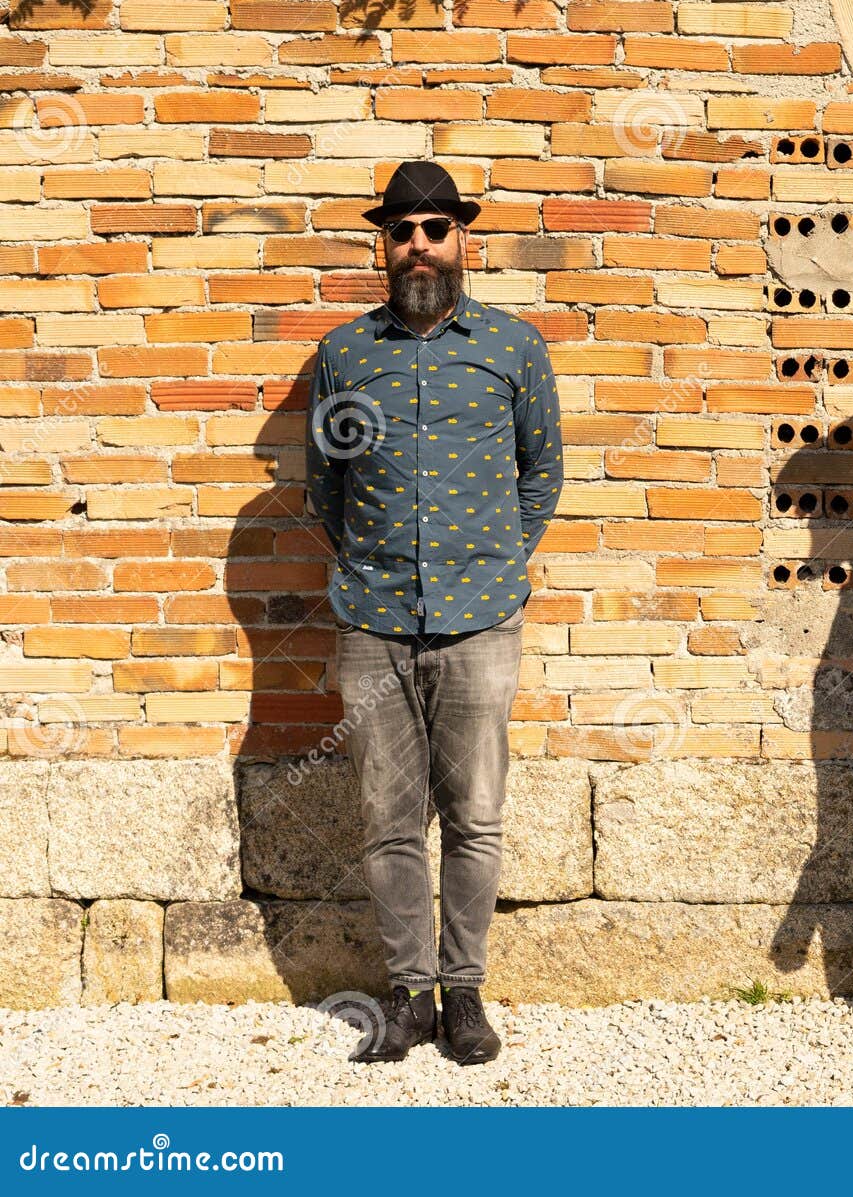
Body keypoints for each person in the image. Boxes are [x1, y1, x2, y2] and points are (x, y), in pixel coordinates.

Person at [304, 160, 563, 1065]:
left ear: (464, 242)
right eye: (403, 230)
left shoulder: (514, 347)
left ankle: (465, 993)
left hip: (482, 617)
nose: (420, 244)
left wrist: (490, 562)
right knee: (386, 816)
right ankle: (407, 993)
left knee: (477, 815)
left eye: (436, 228)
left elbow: (543, 474)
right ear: (384, 245)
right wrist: (374, 567)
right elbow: (322, 486)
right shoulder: (344, 352)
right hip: (372, 620)